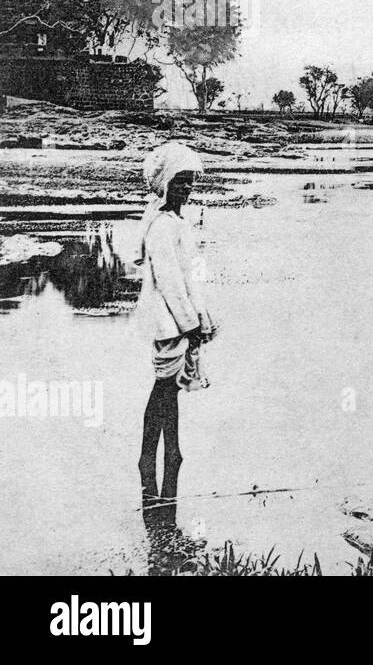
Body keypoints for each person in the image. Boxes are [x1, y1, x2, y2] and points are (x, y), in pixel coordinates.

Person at [135, 142, 218, 511]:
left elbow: (188, 279)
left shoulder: (174, 222)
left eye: (190, 182)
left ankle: (171, 454)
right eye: (181, 182)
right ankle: (148, 458)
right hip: (168, 322)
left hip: (177, 319)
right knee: (164, 389)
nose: (187, 188)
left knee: (170, 389)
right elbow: (170, 282)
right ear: (165, 183)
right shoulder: (161, 226)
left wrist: (199, 316)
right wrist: (189, 324)